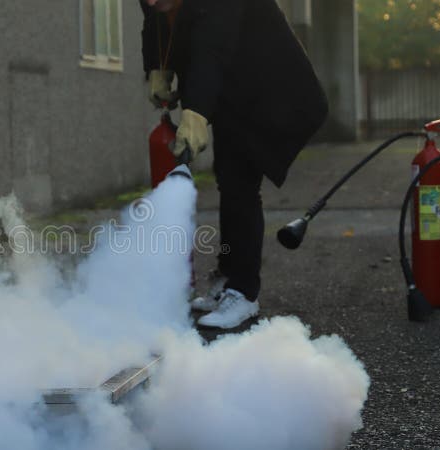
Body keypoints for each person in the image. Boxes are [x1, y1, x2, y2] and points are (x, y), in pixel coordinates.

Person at [140, 0, 328, 328]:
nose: (151, 2)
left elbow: (213, 44)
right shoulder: (155, 2)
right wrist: (157, 66)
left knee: (240, 181)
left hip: (272, 89)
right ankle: (229, 276)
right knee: (229, 177)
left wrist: (196, 109)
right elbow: (155, 25)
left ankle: (244, 293)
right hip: (232, 89)